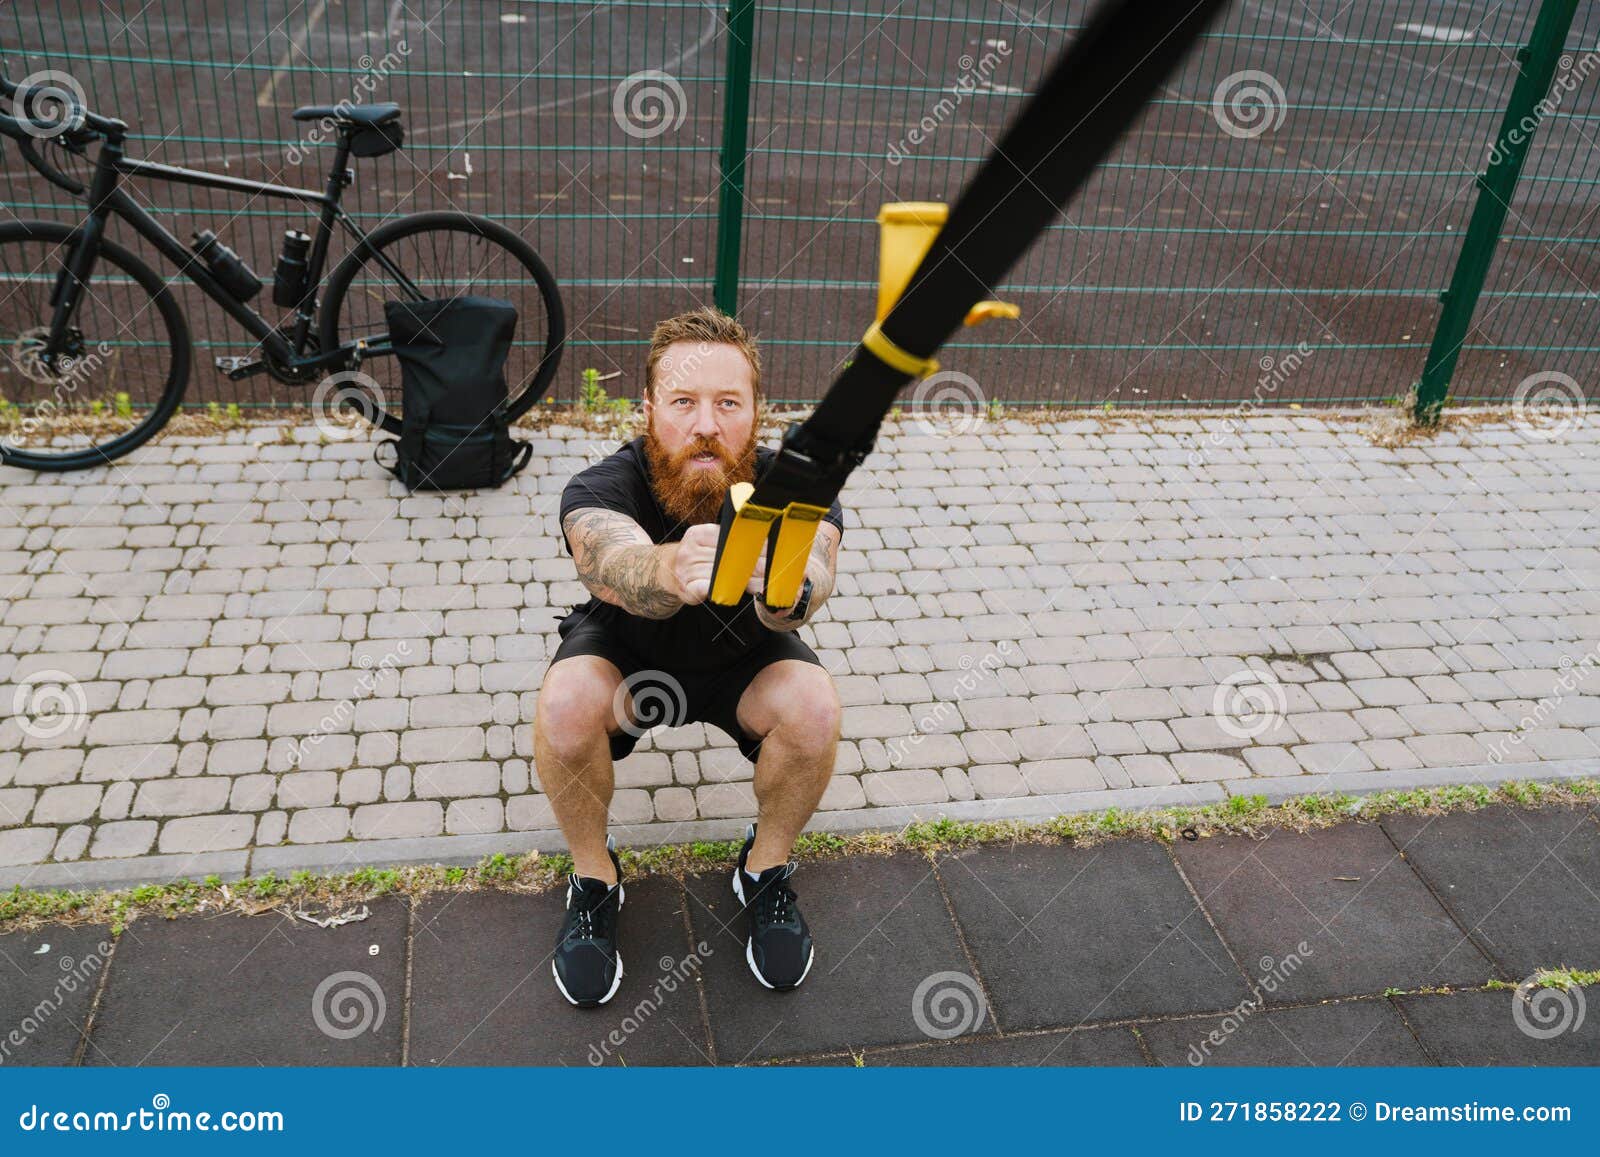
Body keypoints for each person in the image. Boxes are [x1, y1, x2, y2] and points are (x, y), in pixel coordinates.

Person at [535, 306, 844, 1007]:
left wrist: (787, 591)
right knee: (563, 702)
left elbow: (816, 570)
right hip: (632, 655)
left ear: (756, 412)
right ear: (648, 409)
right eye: (683, 402)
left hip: (744, 661)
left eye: (727, 403)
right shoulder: (601, 485)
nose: (706, 424)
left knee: (816, 708)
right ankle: (594, 878)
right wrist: (669, 569)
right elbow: (606, 558)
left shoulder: (793, 486)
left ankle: (763, 869)